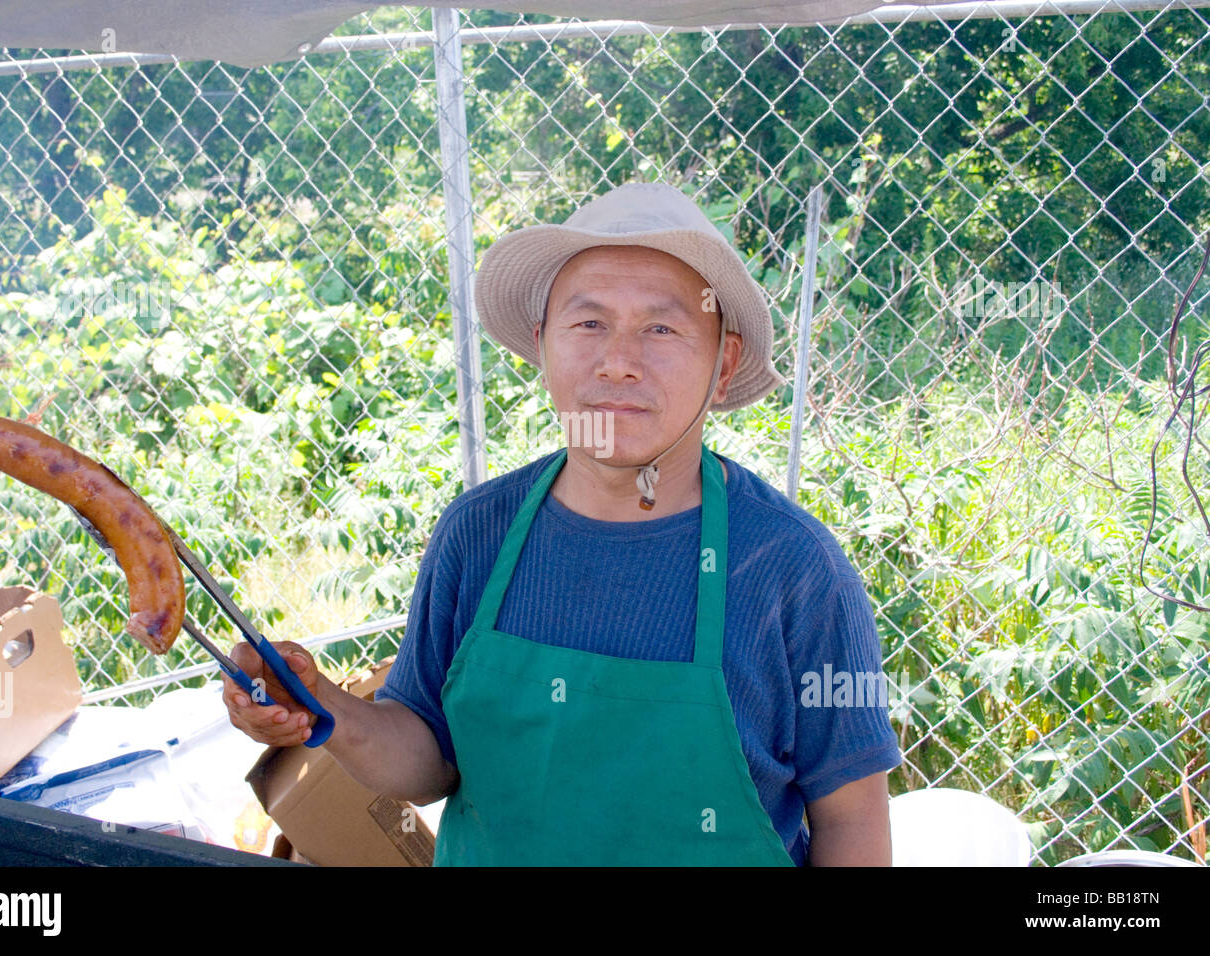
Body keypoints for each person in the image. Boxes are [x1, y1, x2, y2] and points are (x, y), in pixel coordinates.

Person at [222, 181, 902, 865]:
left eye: (661, 328)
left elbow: (853, 823)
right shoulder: (476, 535)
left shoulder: (795, 569)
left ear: (723, 364)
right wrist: (324, 709)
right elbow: (428, 761)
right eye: (589, 324)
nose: (618, 362)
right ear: (545, 345)